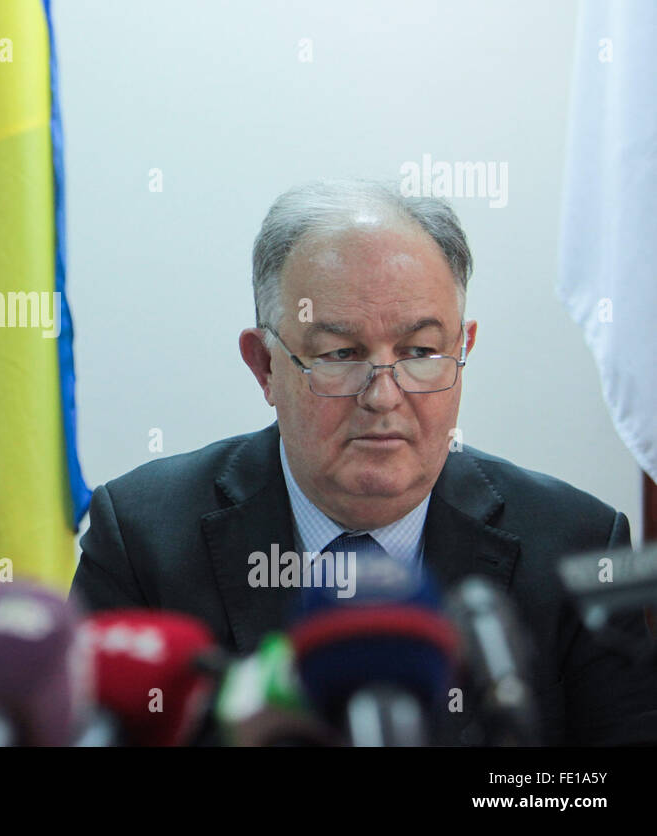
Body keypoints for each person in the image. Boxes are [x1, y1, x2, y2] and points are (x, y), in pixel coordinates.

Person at [71, 178, 657, 745]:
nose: (383, 395)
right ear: (264, 366)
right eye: (341, 354)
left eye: (421, 352)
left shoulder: (574, 545)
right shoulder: (143, 535)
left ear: (463, 349)